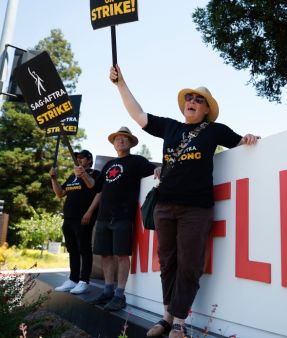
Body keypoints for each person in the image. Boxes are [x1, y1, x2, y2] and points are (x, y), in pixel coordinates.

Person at [109, 65, 260, 338]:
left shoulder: (215, 130)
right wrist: (121, 85)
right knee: (167, 262)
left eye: (198, 99)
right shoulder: (170, 127)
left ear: (206, 109)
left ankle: (179, 322)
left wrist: (249, 138)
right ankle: (167, 316)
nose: (192, 101)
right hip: (164, 207)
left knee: (189, 264)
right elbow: (138, 115)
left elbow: (241, 142)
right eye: (189, 98)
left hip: (196, 209)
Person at [89, 126, 156, 311]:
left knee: (121, 255)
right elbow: (96, 187)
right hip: (103, 217)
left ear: (131, 143)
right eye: (117, 138)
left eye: (125, 138)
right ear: (113, 143)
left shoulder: (137, 161)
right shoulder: (109, 165)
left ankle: (120, 295)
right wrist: (83, 175)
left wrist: (159, 170)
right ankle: (108, 291)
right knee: (105, 254)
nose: (121, 140)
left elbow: (155, 171)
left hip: (123, 216)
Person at [49, 150, 100, 294]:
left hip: (83, 217)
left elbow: (98, 192)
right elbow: (60, 194)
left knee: (84, 249)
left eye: (81, 158)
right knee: (72, 250)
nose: (78, 160)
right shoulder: (73, 176)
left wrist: (89, 212)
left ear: (89, 160)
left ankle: (84, 281)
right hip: (69, 218)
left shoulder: (95, 174)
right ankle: (73, 279)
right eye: (77, 158)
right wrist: (54, 179)